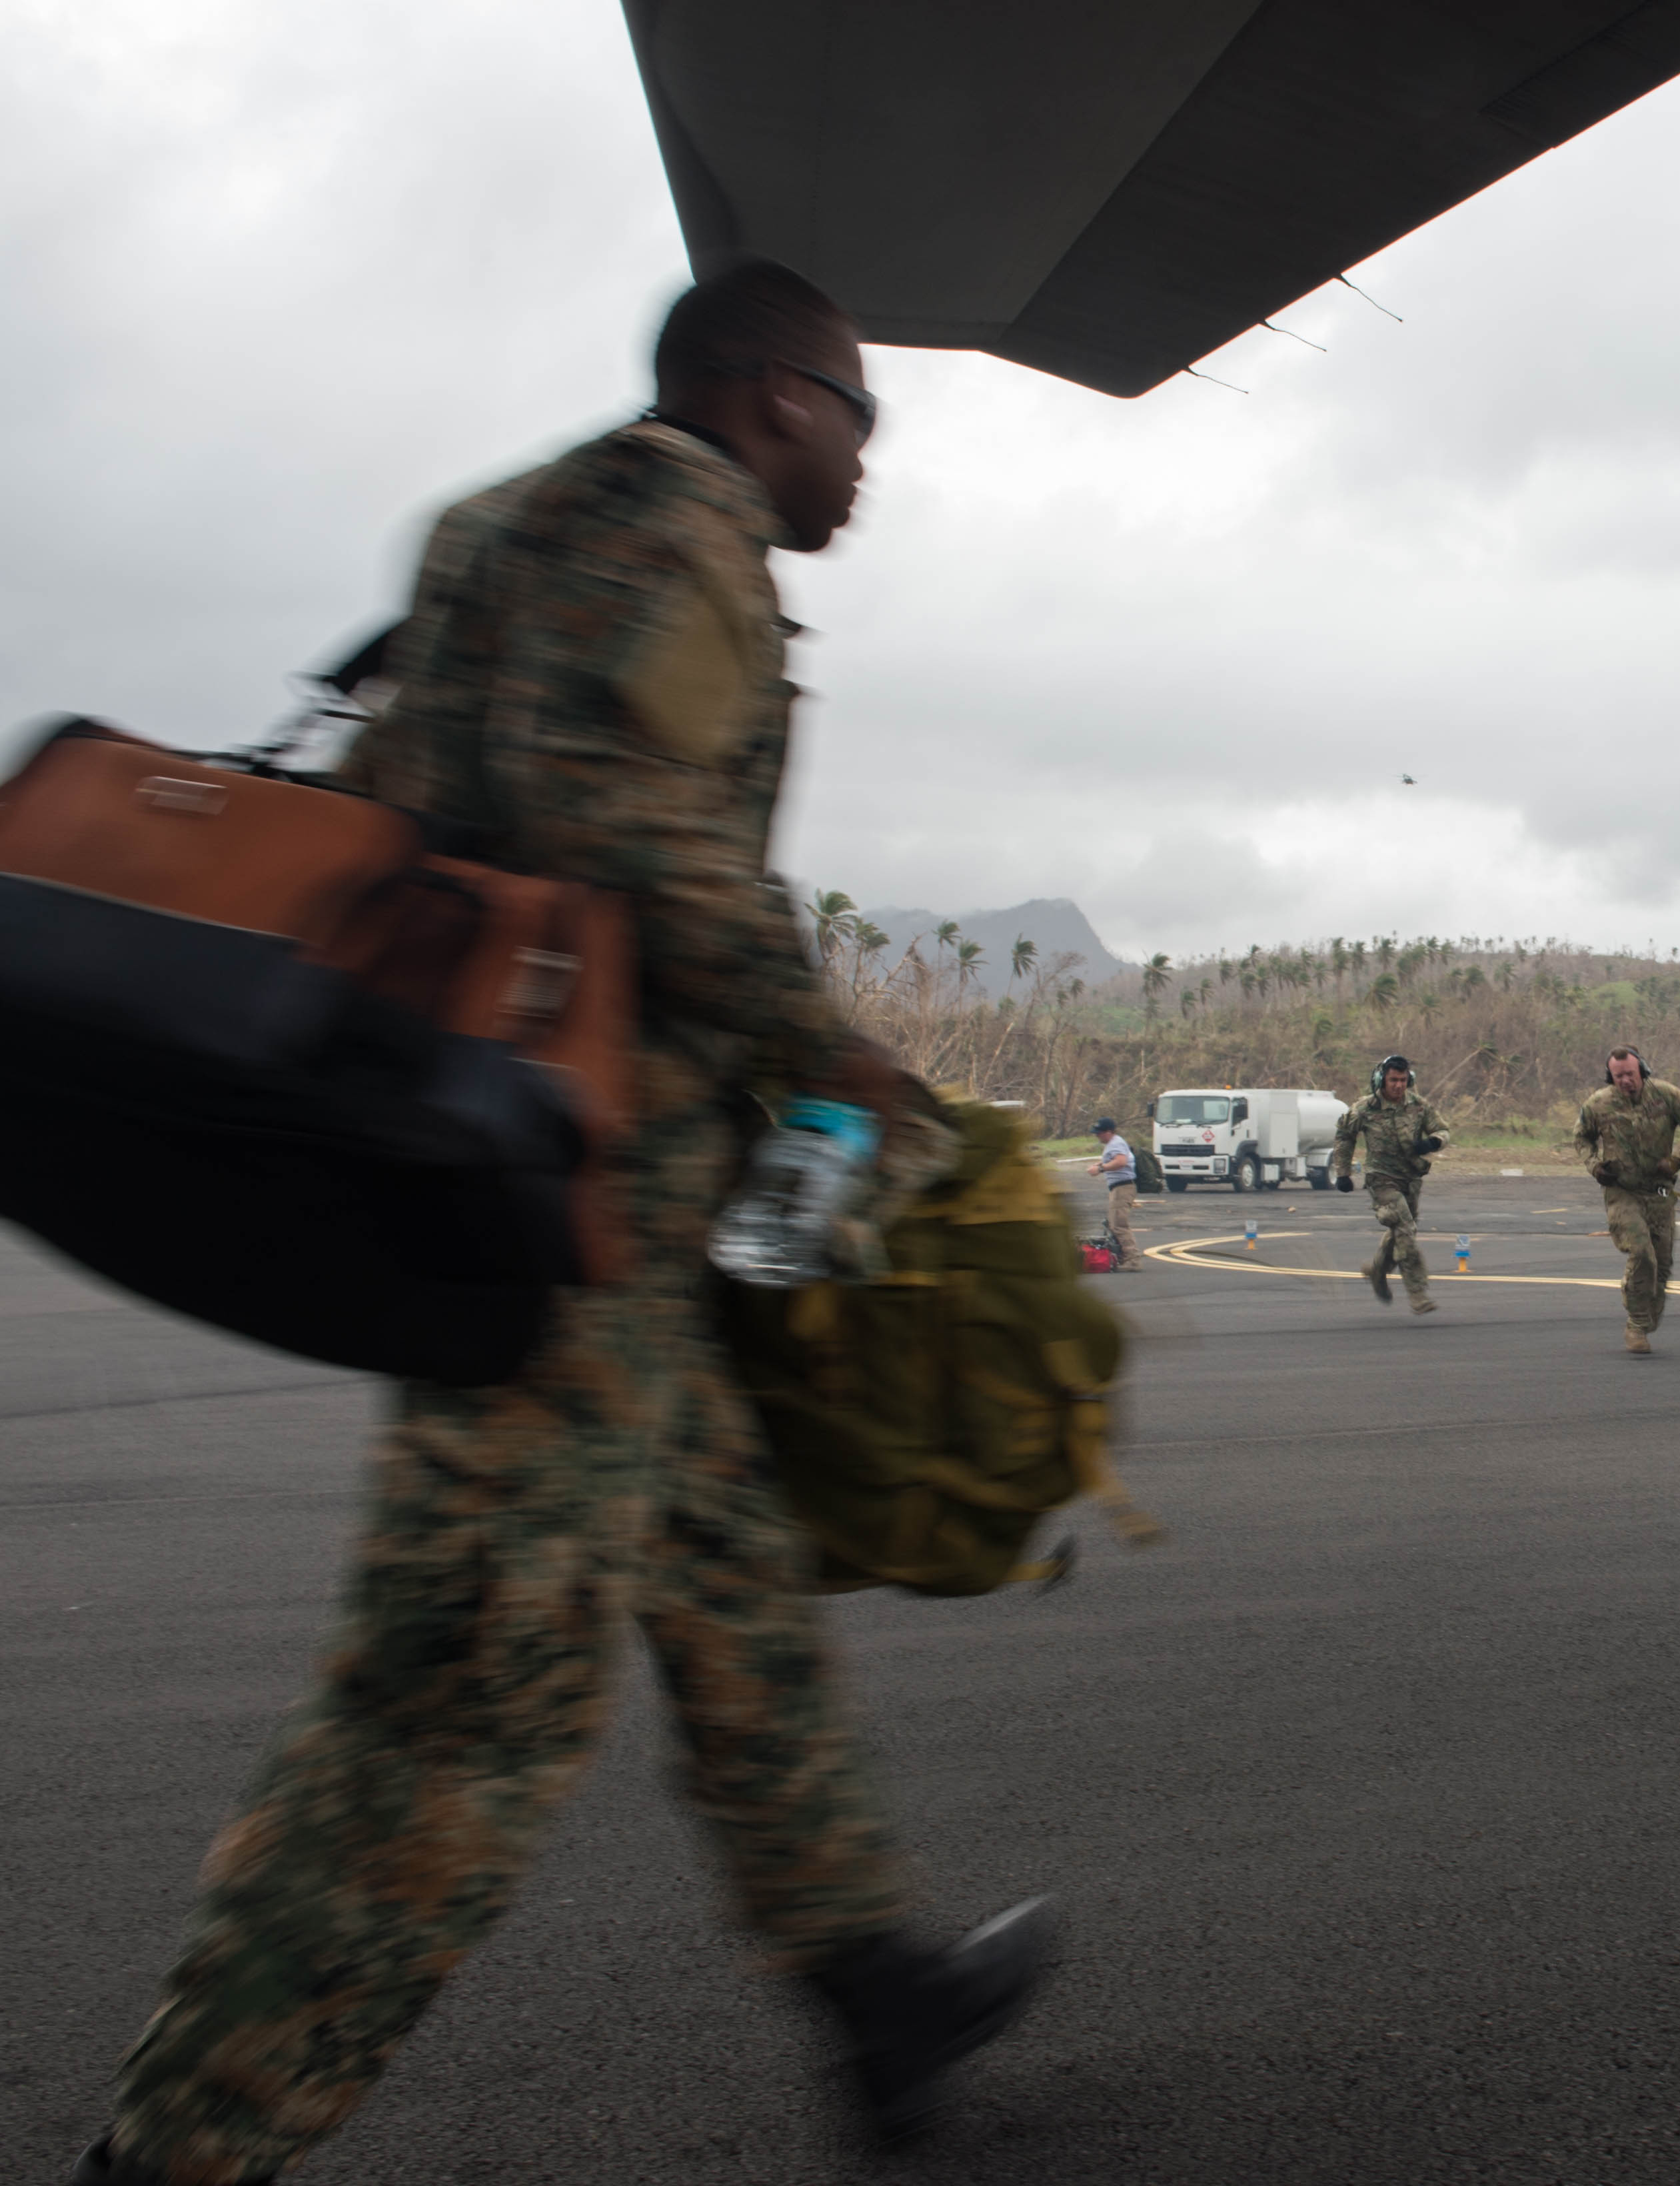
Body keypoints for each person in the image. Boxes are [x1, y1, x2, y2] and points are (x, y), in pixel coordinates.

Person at [73, 264, 1056, 2186]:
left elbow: (429, 790)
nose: (871, 468)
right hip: (557, 1196)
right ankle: (184, 2152)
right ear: (776, 399)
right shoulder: (670, 522)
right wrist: (824, 1038)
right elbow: (613, 815)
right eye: (867, 420)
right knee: (460, 1704)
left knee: (733, 1587)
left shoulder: (499, 529)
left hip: (574, 1186)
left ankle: (875, 1984)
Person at [1575, 1046, 1680, 1354]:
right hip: (1622, 1191)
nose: (1626, 1080)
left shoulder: (1666, 1096)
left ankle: (1646, 1318)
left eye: (1630, 1073)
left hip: (1661, 1191)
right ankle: (1636, 1325)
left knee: (1661, 1267)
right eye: (1618, 1076)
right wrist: (1595, 1166)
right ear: (1610, 1077)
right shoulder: (1598, 1104)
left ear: (1643, 1070)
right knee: (1642, 1252)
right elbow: (1582, 1138)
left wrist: (1679, 1160)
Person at [1330, 1053, 1447, 1316]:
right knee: (1405, 1228)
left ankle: (1377, 1271)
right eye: (1393, 1080)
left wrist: (1434, 1142)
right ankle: (1417, 1293)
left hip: (1411, 1179)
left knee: (1403, 1232)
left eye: (1403, 1080)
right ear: (1382, 1080)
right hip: (1381, 1179)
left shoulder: (1418, 1105)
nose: (1398, 1086)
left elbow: (1443, 1130)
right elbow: (1345, 1135)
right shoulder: (1366, 1108)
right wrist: (1343, 1172)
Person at [1089, 1115, 1139, 1269]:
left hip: (1122, 1188)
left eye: (1100, 1132)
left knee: (1119, 1225)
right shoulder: (1114, 1143)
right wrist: (1101, 1163)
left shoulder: (1115, 1143)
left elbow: (1121, 1162)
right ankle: (1124, 1258)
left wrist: (1101, 1168)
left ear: (1109, 1132)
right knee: (1114, 1223)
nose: (1097, 1135)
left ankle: (1133, 1260)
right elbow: (1117, 1159)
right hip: (1118, 1187)